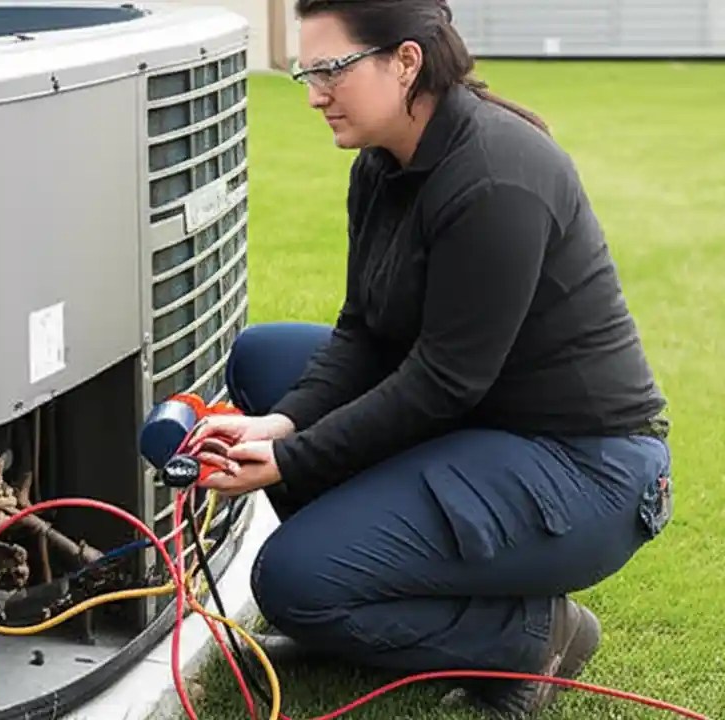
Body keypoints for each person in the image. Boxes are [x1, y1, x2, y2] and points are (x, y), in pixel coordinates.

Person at [190, 0, 674, 717]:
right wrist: (284, 426)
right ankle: (353, 588)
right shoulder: (384, 164)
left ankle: (527, 637)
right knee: (267, 361)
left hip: (585, 469)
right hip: (484, 423)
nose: (315, 92)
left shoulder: (495, 178)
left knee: (289, 582)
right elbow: (361, 330)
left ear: (406, 61)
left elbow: (442, 383)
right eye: (306, 72)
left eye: (330, 70)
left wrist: (293, 461)